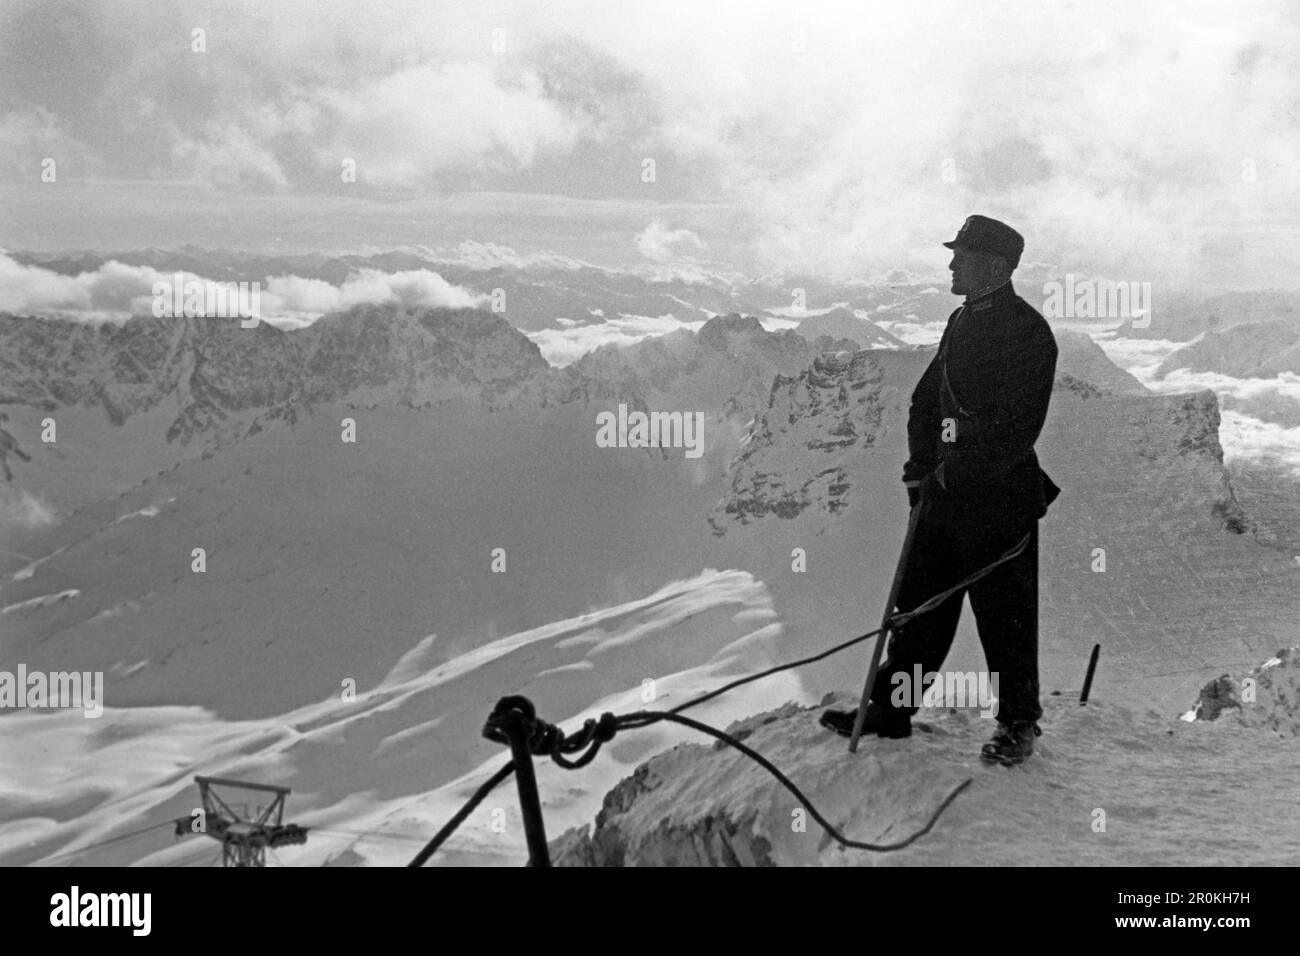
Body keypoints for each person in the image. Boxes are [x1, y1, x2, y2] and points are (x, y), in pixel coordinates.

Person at [821, 215, 1060, 766]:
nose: (951, 263)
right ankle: (891, 709)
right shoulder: (962, 320)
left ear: (997, 267)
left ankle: (1019, 724)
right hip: (944, 498)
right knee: (920, 609)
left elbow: (1017, 429)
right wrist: (918, 469)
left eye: (963, 255)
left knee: (1006, 618)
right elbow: (928, 404)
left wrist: (951, 472)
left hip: (1000, 503)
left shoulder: (1028, 333)